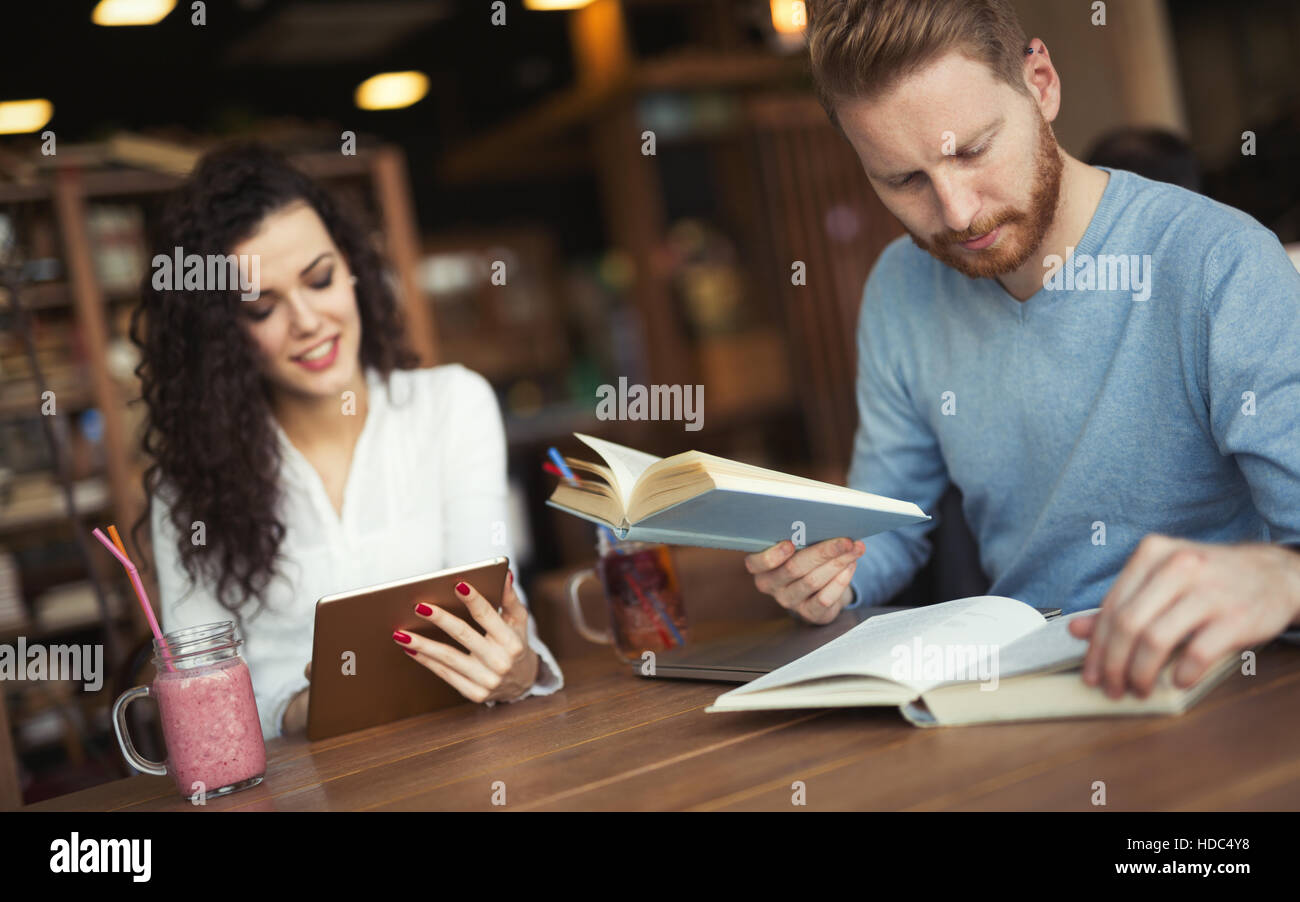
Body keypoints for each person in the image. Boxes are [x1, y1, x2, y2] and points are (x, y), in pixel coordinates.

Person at [745, 0, 1300, 699]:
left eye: (971, 151)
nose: (956, 213)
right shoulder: (899, 290)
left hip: (1217, 687)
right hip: (1015, 696)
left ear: (1040, 82)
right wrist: (827, 573)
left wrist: (1282, 576)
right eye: (903, 180)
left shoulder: (1220, 263)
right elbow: (885, 529)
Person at [131, 143, 562, 738]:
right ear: (219, 337)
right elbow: (208, 722)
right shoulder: (188, 493)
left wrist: (518, 666)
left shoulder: (452, 407)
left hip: (474, 759)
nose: (307, 320)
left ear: (353, 267)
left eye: (321, 279)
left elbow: (504, 624)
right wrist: (308, 709)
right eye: (261, 306)